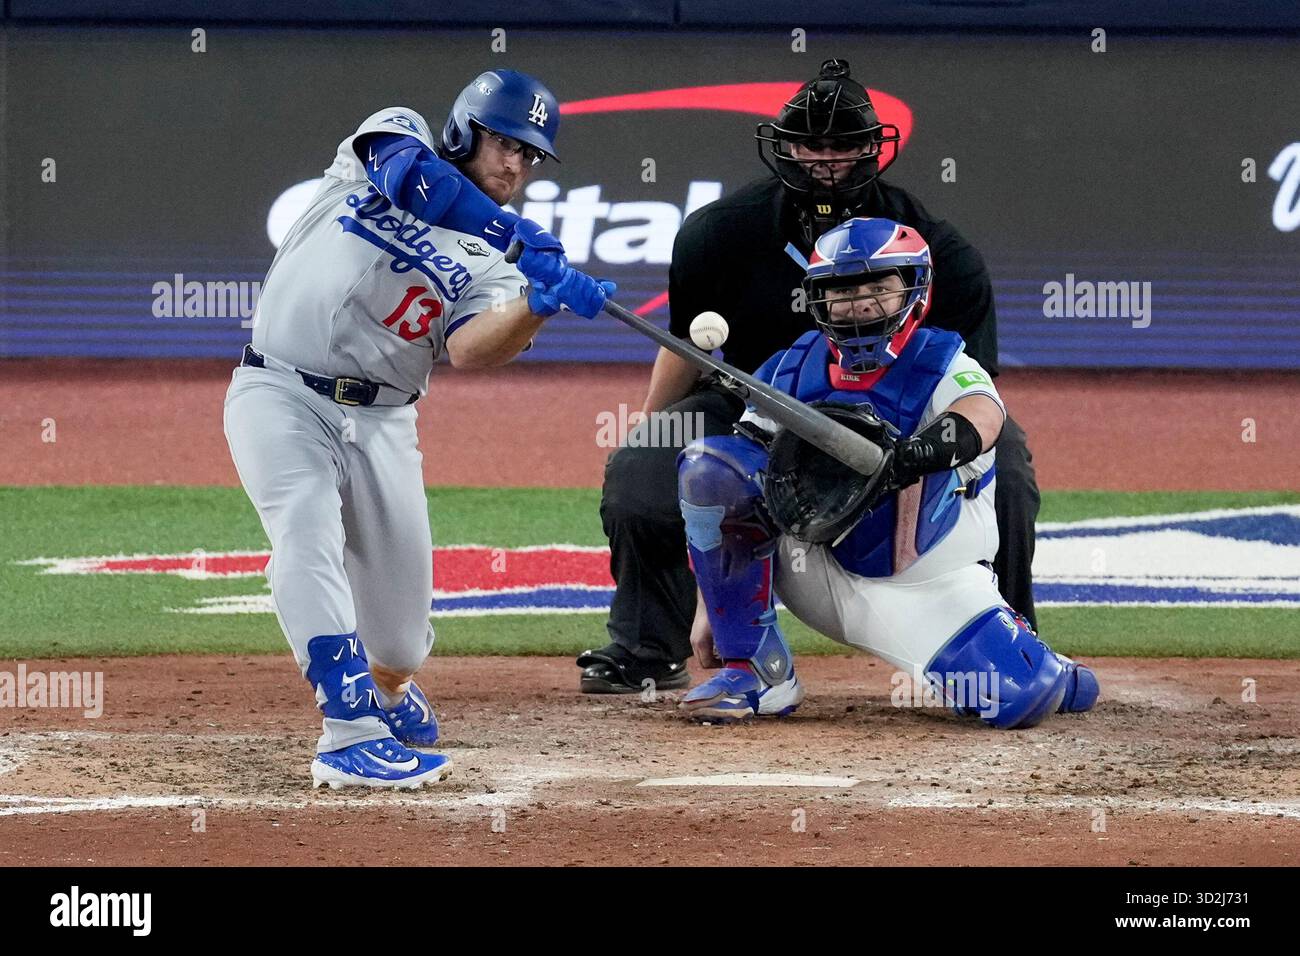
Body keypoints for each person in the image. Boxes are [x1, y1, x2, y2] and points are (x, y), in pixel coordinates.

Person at [579, 57, 1039, 694]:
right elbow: (689, 345)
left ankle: (1011, 637)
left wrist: (936, 444)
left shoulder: (941, 250)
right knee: (641, 472)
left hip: (898, 407)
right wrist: (652, 429)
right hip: (749, 406)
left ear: (872, 148)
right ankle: (646, 647)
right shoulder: (720, 234)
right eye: (810, 144)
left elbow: (976, 386)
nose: (825, 159)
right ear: (785, 145)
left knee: (1008, 464)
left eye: (843, 145)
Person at [225, 70, 613, 788]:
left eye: (530, 157)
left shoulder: (497, 261)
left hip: (381, 421)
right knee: (303, 526)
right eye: (505, 144)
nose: (515, 166)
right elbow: (412, 180)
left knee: (400, 640)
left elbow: (470, 349)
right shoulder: (395, 132)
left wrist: (538, 302)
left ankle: (389, 689)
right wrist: (515, 234)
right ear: (465, 129)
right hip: (278, 388)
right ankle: (348, 734)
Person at [677, 216, 1097, 728]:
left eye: (879, 286)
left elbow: (982, 418)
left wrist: (908, 458)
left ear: (914, 292)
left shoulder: (943, 361)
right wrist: (710, 610)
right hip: (815, 570)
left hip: (927, 584)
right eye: (842, 290)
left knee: (1019, 701)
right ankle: (758, 671)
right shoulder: (788, 369)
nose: (860, 302)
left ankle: (1052, 669)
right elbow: (728, 495)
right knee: (712, 467)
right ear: (818, 299)